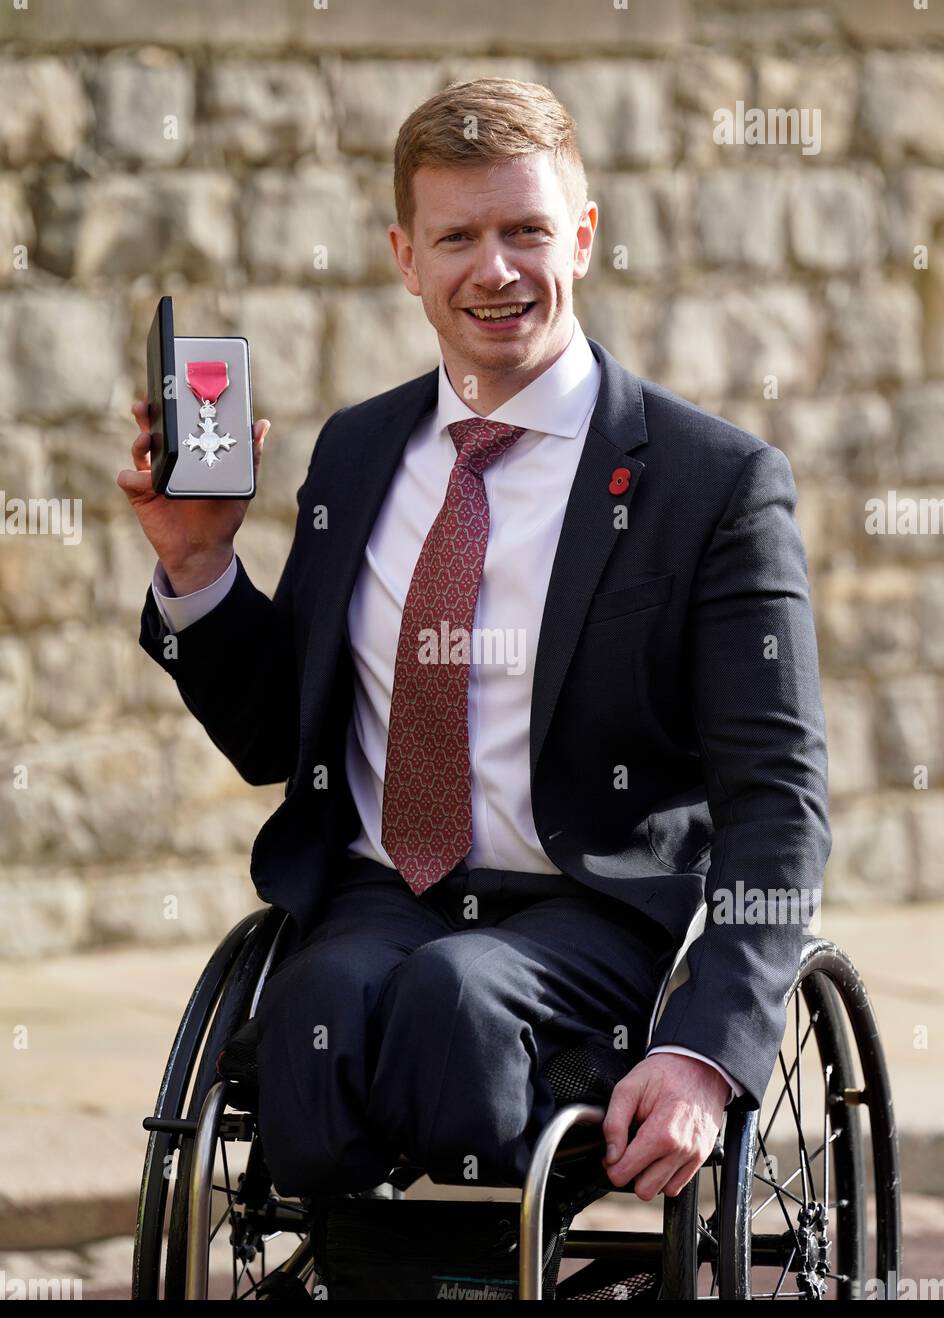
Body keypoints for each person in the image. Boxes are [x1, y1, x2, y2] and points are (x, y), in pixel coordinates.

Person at [119, 78, 830, 1206]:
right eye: (457, 237)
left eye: (525, 231)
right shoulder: (356, 457)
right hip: (378, 894)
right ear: (407, 256)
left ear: (582, 238)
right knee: (314, 1007)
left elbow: (777, 798)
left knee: (453, 997)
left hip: (592, 912)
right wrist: (201, 565)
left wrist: (706, 1048)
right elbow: (273, 736)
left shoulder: (712, 484)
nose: (492, 270)